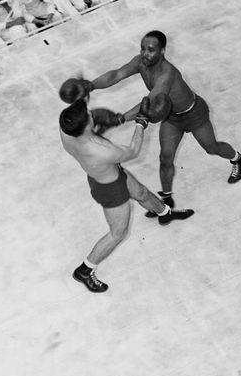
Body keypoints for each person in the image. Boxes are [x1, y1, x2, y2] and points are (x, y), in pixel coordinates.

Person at [84, 31, 241, 214]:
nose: (145, 53)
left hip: (194, 114)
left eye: (151, 50)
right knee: (165, 159)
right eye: (143, 48)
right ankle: (166, 199)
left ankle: (238, 159)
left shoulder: (167, 74)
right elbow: (116, 75)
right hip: (172, 117)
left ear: (162, 51)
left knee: (212, 148)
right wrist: (89, 85)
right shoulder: (140, 62)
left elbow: (150, 102)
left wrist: (119, 118)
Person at [60, 99, 194, 293]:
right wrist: (141, 123)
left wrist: (105, 124)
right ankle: (85, 270)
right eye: (90, 115)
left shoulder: (66, 130)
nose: (92, 113)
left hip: (107, 173)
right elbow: (132, 151)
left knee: (140, 192)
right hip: (111, 190)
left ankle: (164, 213)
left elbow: (88, 129)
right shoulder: (101, 151)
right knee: (118, 233)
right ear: (87, 126)